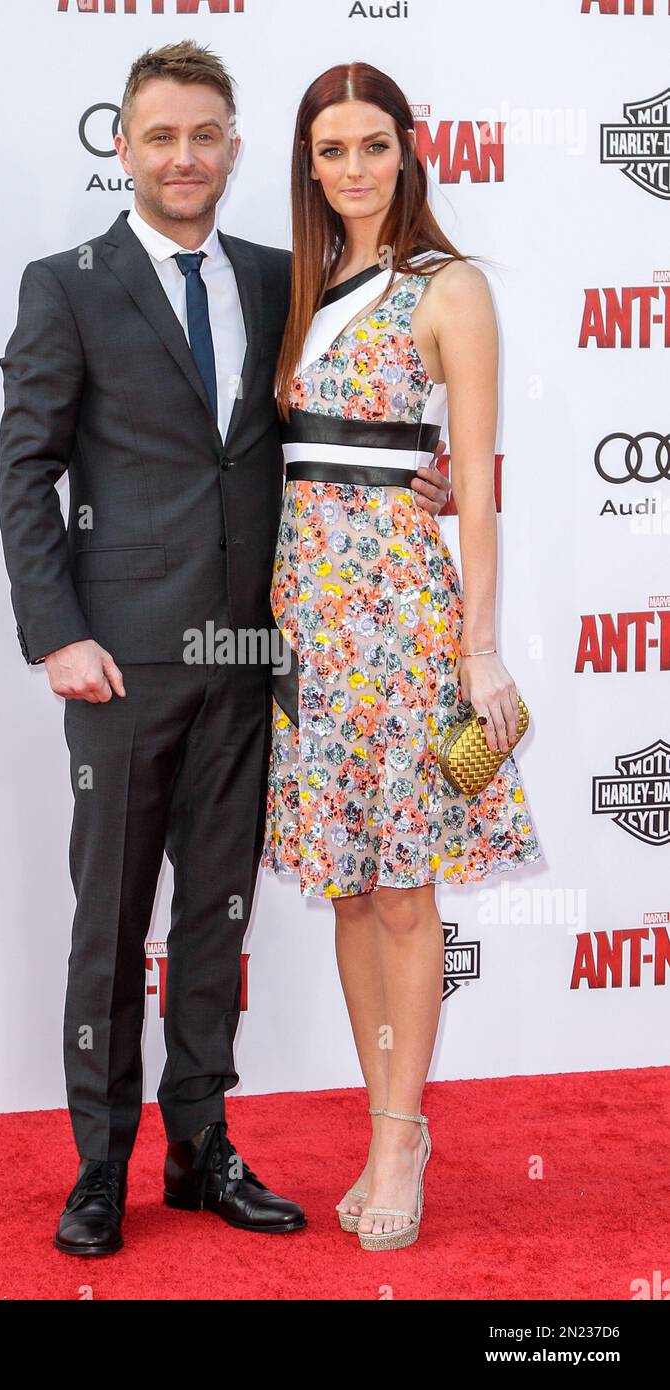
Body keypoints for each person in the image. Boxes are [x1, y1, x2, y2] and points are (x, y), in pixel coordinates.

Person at [0, 41, 453, 1257]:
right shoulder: (69, 283)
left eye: (205, 135)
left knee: (217, 914)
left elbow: (331, 426)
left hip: (257, 654)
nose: (183, 156)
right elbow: (24, 467)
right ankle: (101, 1167)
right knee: (108, 923)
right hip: (119, 663)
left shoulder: (278, 277)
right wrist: (57, 635)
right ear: (123, 144)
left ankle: (201, 1148)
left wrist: (429, 474)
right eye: (160, 136)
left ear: (235, 150)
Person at [262, 63, 543, 1253]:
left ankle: (396, 1133)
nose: (352, 169)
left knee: (403, 888)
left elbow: (471, 484)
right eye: (330, 150)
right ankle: (390, 1120)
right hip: (305, 623)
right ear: (309, 166)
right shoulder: (306, 283)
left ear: (409, 150)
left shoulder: (448, 286)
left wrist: (478, 649)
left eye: (371, 145)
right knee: (346, 879)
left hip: (400, 623)